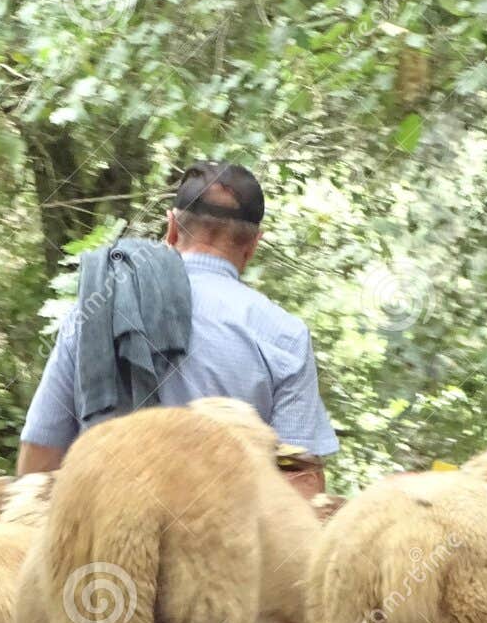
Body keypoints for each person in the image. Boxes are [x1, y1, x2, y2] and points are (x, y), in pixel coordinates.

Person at [18, 161, 338, 495]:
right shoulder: (284, 335)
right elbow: (301, 485)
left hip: (106, 532)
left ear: (171, 227)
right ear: (253, 244)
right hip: (225, 539)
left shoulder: (99, 307)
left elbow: (39, 457)